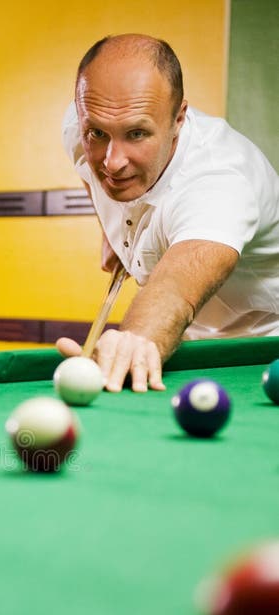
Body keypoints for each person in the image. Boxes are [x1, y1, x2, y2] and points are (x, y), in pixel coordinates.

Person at [57, 33, 279, 392]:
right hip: (183, 345)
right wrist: (109, 234)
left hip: (265, 348)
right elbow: (89, 167)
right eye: (97, 132)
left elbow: (176, 289)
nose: (112, 162)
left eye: (137, 134)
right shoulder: (84, 121)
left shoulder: (219, 180)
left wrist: (131, 339)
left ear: (179, 119)